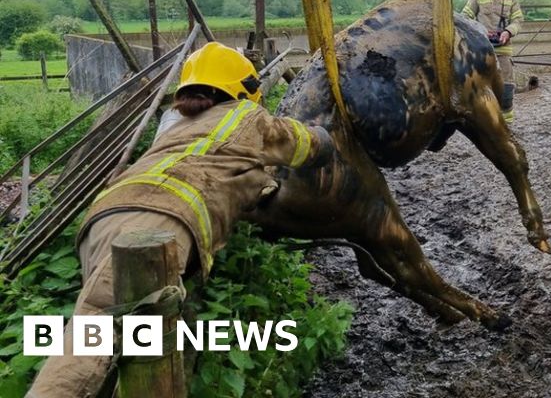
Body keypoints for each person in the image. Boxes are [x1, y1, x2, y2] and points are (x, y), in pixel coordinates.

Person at [28, 42, 334, 397]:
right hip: (156, 225)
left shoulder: (176, 124)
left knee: (128, 345)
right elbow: (305, 144)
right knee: (92, 337)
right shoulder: (245, 115)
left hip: (103, 219)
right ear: (243, 87)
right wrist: (326, 137)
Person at [461, 0, 523, 122]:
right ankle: (483, 120)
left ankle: (507, 121)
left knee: (507, 85)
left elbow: (518, 20)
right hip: (481, 49)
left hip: (503, 49)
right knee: (478, 84)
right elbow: (465, 18)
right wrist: (481, 31)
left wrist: (508, 32)